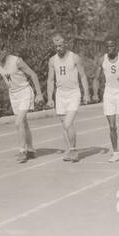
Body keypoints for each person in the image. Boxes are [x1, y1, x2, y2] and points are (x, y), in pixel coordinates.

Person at [0, 46, 44, 164]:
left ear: (5, 51)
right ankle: (30, 149)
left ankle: (22, 151)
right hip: (13, 94)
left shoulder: (16, 61)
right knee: (24, 123)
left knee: (18, 122)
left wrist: (39, 94)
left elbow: (33, 74)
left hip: (25, 91)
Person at [48, 34, 92, 162]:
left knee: (68, 123)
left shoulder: (74, 57)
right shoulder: (52, 60)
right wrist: (50, 98)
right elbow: (50, 80)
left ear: (65, 44)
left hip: (74, 93)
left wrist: (86, 93)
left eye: (60, 45)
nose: (58, 48)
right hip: (60, 95)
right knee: (64, 124)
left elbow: (83, 76)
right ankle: (69, 150)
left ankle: (73, 150)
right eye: (56, 46)